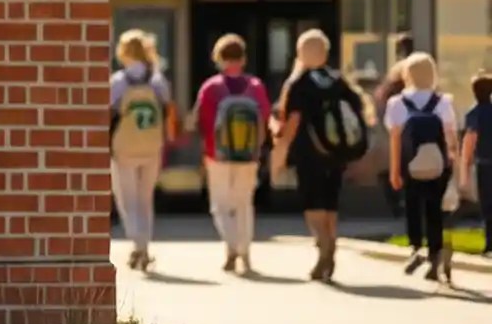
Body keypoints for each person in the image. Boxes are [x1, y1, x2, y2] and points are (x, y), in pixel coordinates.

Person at [273, 29, 373, 283]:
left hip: (308, 153)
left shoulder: (299, 84)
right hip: (336, 153)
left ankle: (323, 245)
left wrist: (280, 152)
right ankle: (332, 242)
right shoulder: (339, 80)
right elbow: (359, 111)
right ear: (326, 53)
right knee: (330, 202)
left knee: (312, 204)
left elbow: (293, 121)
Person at [194, 34, 269, 275]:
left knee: (220, 205)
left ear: (219, 58)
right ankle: (245, 253)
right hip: (248, 155)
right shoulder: (255, 87)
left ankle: (231, 247)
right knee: (244, 204)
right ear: (243, 58)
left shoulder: (211, 88)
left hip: (218, 155)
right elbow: (264, 119)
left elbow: (203, 123)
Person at [386, 52, 459, 281]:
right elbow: (451, 138)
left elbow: (395, 140)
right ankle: (435, 254)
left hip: (411, 166)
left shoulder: (397, 103)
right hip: (438, 166)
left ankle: (415, 247)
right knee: (435, 211)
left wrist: (394, 171)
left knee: (412, 206)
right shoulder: (443, 102)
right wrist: (453, 165)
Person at [110, 29, 177, 272]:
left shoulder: (118, 81)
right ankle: (144, 247)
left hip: (124, 147)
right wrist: (169, 139)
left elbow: (109, 111)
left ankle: (138, 245)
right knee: (145, 200)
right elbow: (168, 110)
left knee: (127, 200)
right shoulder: (157, 80)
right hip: (152, 145)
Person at [372, 32, 415, 216]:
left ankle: (397, 202)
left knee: (396, 163)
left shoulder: (398, 71)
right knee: (404, 162)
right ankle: (401, 201)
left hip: (397, 122)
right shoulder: (412, 68)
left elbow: (383, 96)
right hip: (405, 123)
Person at [459, 70, 492, 258]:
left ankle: (490, 243)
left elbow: (470, 141)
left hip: (485, 165)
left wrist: (464, 168)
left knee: (488, 205)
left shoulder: (474, 113)